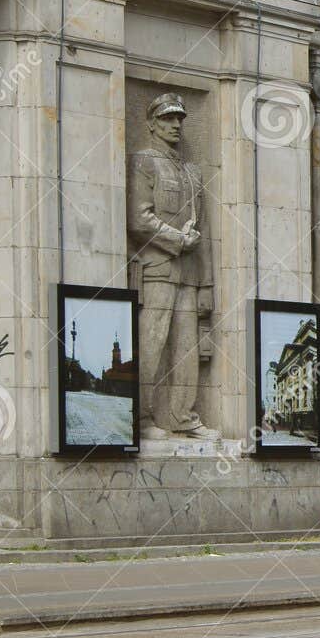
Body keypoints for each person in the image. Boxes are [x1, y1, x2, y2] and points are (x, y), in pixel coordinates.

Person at [128, 93, 219, 441]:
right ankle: (142, 417)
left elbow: (205, 234)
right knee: (151, 344)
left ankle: (183, 416)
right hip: (156, 270)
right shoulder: (143, 162)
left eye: (179, 119)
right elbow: (138, 219)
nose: (175, 125)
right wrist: (177, 240)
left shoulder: (193, 173)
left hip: (189, 275)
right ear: (151, 123)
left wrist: (207, 284)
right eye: (167, 119)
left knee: (187, 347)